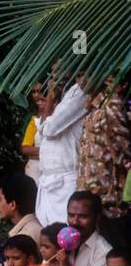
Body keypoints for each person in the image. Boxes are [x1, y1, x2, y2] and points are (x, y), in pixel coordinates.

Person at [34, 77, 88, 228]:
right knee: (49, 238)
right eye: (51, 73)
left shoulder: (81, 92)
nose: (53, 76)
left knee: (66, 234)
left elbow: (49, 129)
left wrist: (50, 97)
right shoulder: (67, 94)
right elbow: (43, 130)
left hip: (65, 182)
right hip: (49, 181)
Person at [77, 79, 130, 220]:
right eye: (78, 76)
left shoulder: (111, 105)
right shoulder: (92, 106)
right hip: (89, 197)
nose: (81, 81)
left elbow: (125, 150)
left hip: (108, 201)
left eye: (84, 75)